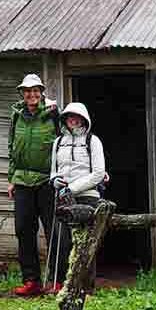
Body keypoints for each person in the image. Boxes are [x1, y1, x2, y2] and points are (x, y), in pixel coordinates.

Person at [45, 102, 106, 293]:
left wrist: (72, 188)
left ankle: (85, 288)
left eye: (77, 116)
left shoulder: (92, 141)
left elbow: (98, 173)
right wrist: (55, 180)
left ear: (84, 119)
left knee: (86, 243)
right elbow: (53, 171)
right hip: (63, 196)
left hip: (88, 196)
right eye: (69, 116)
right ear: (64, 119)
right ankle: (63, 285)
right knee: (63, 241)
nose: (73, 119)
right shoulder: (58, 142)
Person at [7, 73, 59, 297]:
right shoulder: (16, 116)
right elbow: (12, 148)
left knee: (53, 230)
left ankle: (57, 281)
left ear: (41, 92)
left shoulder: (53, 114)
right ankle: (31, 281)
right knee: (23, 230)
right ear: (22, 93)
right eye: (27, 91)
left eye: (35, 90)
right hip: (21, 182)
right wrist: (11, 178)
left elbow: (63, 145)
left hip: (47, 181)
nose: (31, 94)